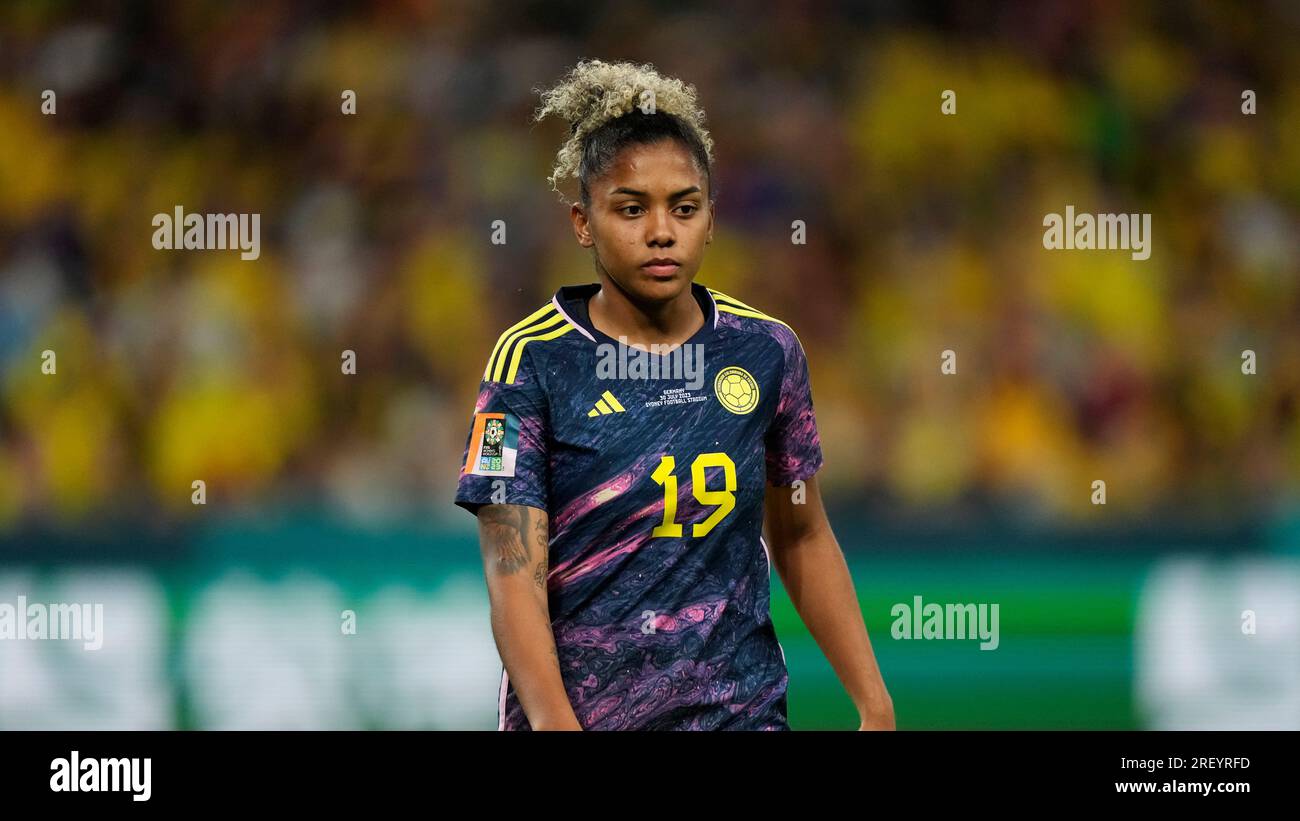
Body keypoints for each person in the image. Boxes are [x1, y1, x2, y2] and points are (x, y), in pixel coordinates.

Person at [454, 59, 893, 730]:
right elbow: (513, 575)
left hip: (739, 714)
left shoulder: (766, 351)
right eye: (631, 209)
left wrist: (873, 700)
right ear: (582, 221)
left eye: (684, 207)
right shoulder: (531, 363)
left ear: (711, 218)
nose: (662, 231)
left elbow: (801, 531)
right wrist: (554, 724)